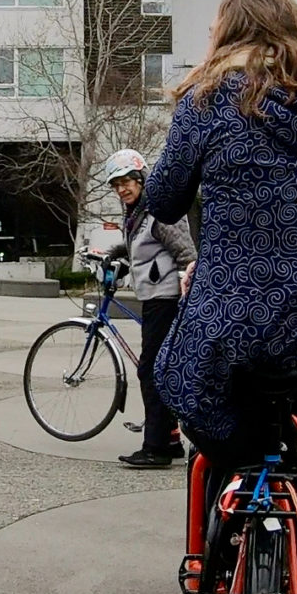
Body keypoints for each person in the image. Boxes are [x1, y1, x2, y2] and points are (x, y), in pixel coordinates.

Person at [143, 0, 297, 469]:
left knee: (185, 387)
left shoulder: (208, 99)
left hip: (234, 314)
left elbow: (163, 202)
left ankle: (238, 487)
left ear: (229, 36)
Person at [99, 148, 196, 468]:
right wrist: (115, 255)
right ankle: (170, 439)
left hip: (166, 299)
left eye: (126, 181)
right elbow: (141, 249)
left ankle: (155, 448)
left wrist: (186, 295)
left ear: (141, 178)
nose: (121, 189)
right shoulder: (138, 211)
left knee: (151, 370)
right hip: (155, 297)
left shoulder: (159, 209)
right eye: (116, 185)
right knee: (160, 369)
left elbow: (186, 254)